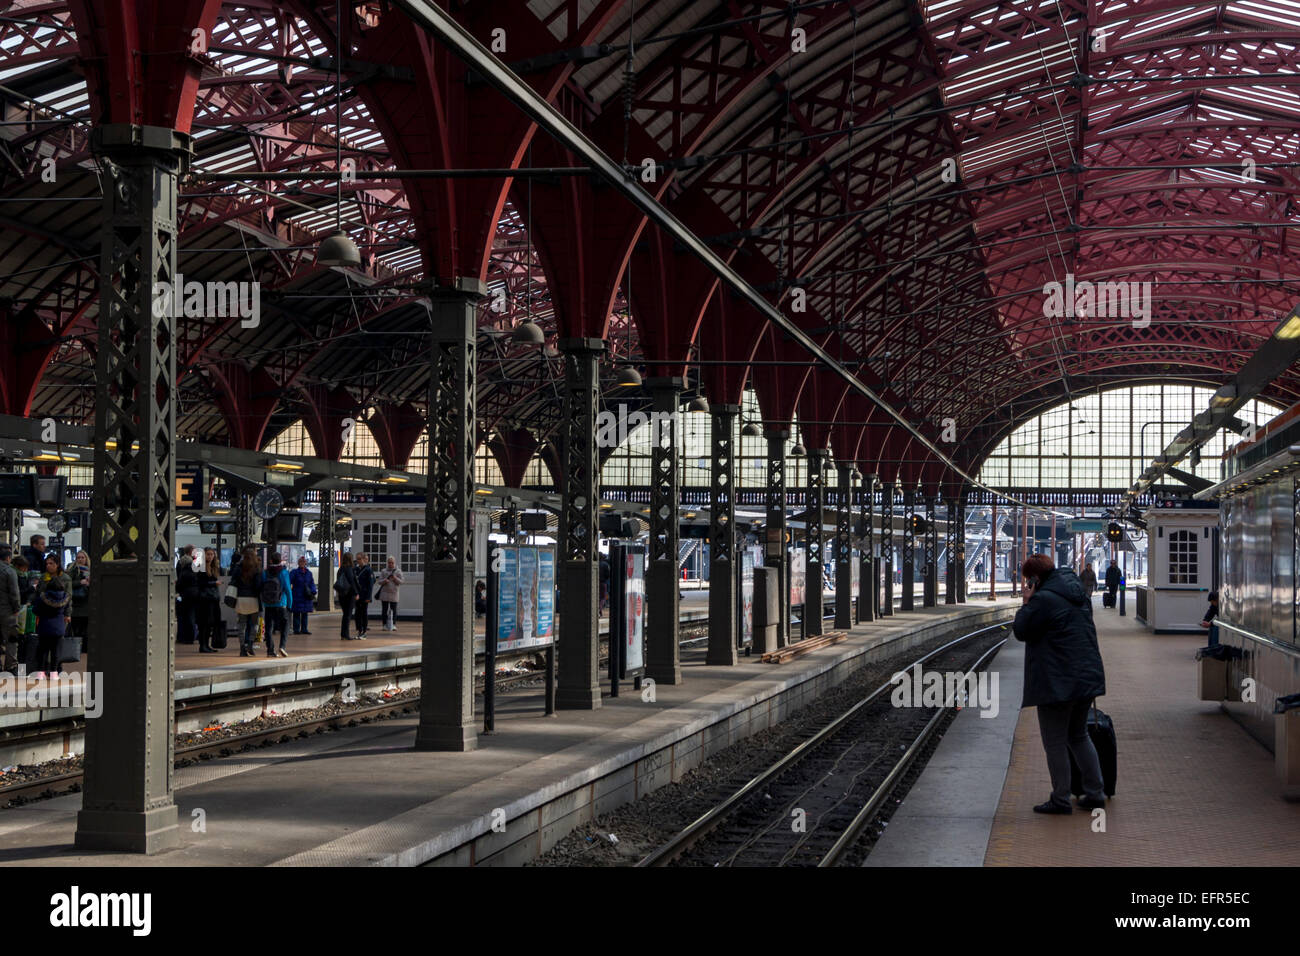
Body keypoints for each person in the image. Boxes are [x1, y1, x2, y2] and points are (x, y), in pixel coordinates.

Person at [1013, 553, 1107, 814]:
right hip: (1085, 677)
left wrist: (1026, 601)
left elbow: (1021, 630)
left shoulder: (1043, 600)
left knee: (1054, 741)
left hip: (1057, 682)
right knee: (1078, 735)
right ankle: (1095, 793)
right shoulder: (1078, 594)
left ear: (1034, 578)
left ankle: (1061, 798)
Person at [32, 555, 72, 678]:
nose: (48, 566)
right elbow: (37, 593)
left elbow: (70, 597)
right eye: (47, 563)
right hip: (53, 618)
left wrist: (68, 614)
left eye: (51, 563)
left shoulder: (65, 578)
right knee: (52, 647)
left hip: (54, 617)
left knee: (51, 647)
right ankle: (53, 671)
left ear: (57, 564)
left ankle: (53, 669)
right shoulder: (44, 577)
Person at [259, 551, 291, 657]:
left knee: (269, 627)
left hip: (268, 604)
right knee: (285, 625)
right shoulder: (283, 572)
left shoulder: (265, 572)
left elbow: (261, 587)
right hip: (281, 603)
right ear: (281, 560)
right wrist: (290, 604)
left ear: (271, 560)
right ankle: (282, 646)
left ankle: (270, 650)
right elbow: (287, 589)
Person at [234, 546, 262, 657]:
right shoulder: (256, 568)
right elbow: (258, 585)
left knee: (241, 624)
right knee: (254, 623)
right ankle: (250, 644)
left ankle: (242, 648)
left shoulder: (238, 567)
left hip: (241, 599)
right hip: (254, 599)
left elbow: (233, 581)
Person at [195, 547, 222, 653]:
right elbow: (199, 583)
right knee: (204, 623)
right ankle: (203, 645)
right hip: (204, 599)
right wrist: (213, 583)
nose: (210, 556)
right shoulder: (200, 567)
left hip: (213, 599)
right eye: (208, 554)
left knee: (210, 623)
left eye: (212, 554)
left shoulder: (214, 567)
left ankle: (207, 644)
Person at [0, 545, 21, 674]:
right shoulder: (9, 571)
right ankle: (11, 666)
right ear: (8, 558)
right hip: (7, 611)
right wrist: (16, 608)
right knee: (11, 639)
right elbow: (14, 593)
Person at [175, 544, 199, 644]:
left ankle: (181, 636)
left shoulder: (180, 562)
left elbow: (179, 581)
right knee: (191, 615)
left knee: (182, 616)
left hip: (183, 594)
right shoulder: (193, 567)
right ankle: (191, 636)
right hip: (193, 594)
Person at [67, 551, 90, 651]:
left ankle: (83, 648)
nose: (80, 559)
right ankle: (75, 649)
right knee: (75, 627)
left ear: (86, 559)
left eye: (82, 557)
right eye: (78, 557)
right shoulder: (72, 570)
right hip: (75, 603)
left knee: (85, 628)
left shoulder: (90, 570)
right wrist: (80, 582)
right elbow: (67, 584)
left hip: (86, 602)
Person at [289, 555, 317, 635]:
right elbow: (289, 581)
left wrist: (313, 591)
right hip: (297, 595)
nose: (302, 563)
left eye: (303, 562)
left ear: (305, 563)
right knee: (297, 613)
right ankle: (296, 629)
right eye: (300, 562)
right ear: (298, 563)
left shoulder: (309, 573)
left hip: (306, 596)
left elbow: (312, 583)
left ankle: (304, 629)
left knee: (305, 613)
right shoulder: (294, 572)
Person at [374, 556, 403, 631]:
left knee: (394, 609)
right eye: (389, 563)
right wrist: (384, 580)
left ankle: (393, 625)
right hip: (385, 593)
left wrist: (395, 578)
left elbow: (402, 582)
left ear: (394, 563)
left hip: (394, 593)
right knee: (384, 610)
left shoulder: (398, 571)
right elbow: (379, 582)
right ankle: (384, 625)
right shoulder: (383, 571)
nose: (390, 564)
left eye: (392, 563)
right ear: (387, 563)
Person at [335, 552, 359, 640]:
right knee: (348, 615)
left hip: (342, 594)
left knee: (345, 614)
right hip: (349, 595)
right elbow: (352, 582)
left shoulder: (340, 569)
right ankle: (346, 634)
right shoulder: (349, 569)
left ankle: (343, 634)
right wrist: (356, 593)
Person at [353, 552, 374, 640]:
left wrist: (368, 597)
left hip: (365, 595)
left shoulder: (368, 570)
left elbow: (370, 584)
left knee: (364, 613)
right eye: (357, 559)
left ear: (363, 559)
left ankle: (364, 631)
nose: (357, 561)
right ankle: (359, 630)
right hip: (357, 595)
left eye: (359, 559)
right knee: (357, 613)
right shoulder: (356, 569)